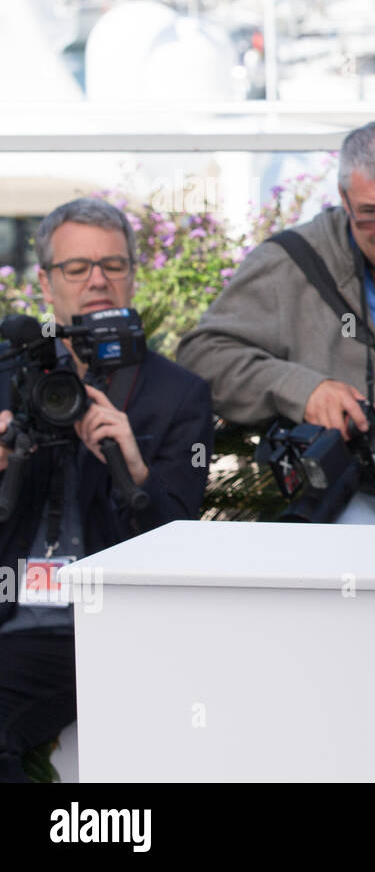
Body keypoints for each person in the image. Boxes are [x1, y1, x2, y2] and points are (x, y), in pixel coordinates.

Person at [177, 119, 375, 524]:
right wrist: (303, 390)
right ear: (343, 196)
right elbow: (200, 356)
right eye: (371, 214)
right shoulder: (291, 262)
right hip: (367, 498)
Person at [0, 198, 212, 782]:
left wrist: (135, 471)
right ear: (46, 282)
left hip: (96, 625)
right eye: (77, 268)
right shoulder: (7, 371)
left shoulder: (176, 394)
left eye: (113, 265)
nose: (97, 279)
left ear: (133, 275)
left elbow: (178, 544)